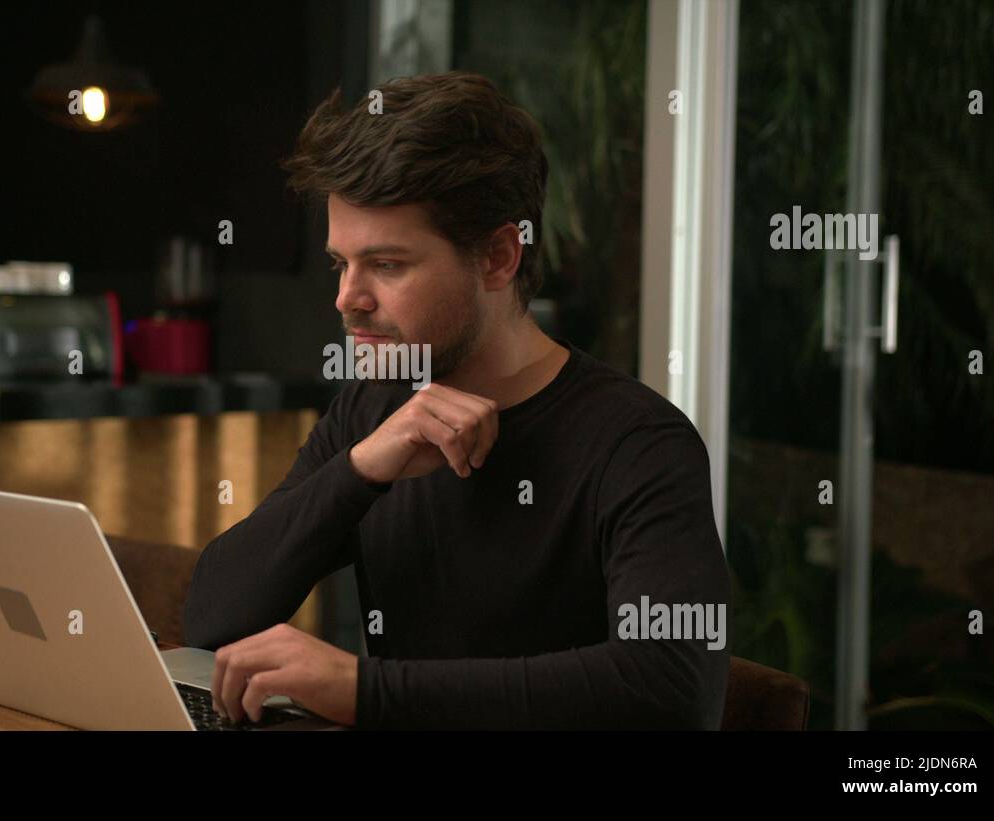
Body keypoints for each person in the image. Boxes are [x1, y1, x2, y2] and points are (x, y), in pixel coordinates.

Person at [181, 71, 731, 729]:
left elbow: (670, 687)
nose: (347, 297)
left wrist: (364, 690)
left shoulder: (638, 443)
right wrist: (359, 471)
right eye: (340, 263)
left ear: (498, 257)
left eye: (387, 265)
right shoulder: (374, 410)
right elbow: (213, 615)